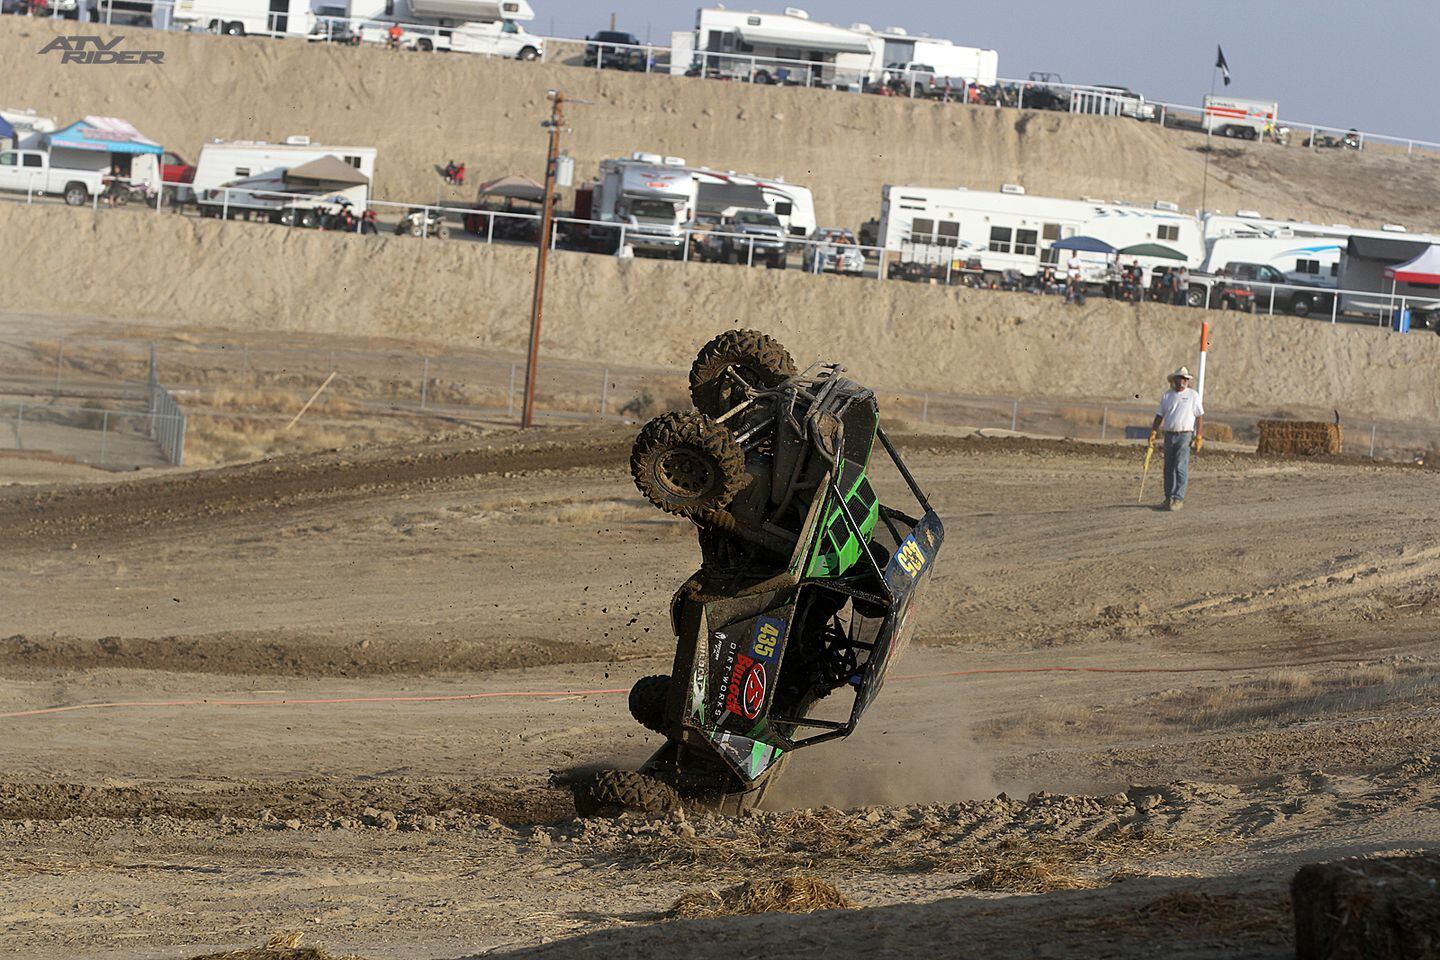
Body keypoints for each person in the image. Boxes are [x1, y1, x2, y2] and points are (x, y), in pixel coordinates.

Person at [1149, 366, 1204, 511]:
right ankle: (1168, 498)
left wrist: (1198, 435)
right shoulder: (1167, 396)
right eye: (1180, 378)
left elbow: (1199, 416)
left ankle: (1178, 498)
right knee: (1168, 467)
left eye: (1185, 379)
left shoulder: (1193, 395)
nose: (1183, 381)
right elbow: (1159, 415)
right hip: (1169, 434)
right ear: (1175, 380)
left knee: (1180, 466)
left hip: (1185, 435)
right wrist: (1153, 431)